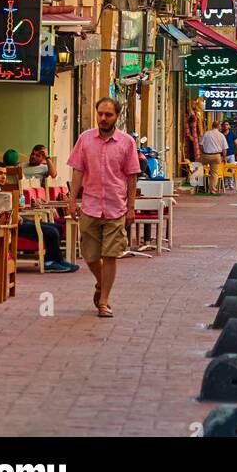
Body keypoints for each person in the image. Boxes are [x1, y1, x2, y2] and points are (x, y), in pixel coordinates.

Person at [67, 97, 141, 317]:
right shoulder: (85, 139)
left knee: (111, 254)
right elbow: (78, 171)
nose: (103, 118)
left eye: (108, 115)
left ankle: (104, 301)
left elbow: (131, 176)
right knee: (89, 256)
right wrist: (72, 200)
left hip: (116, 206)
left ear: (117, 116)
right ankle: (101, 283)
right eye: (100, 114)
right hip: (90, 205)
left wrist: (131, 207)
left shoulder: (127, 142)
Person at [0, 161, 78, 273]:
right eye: (0, 173)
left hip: (17, 219)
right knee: (52, 231)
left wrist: (17, 209)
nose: (3, 177)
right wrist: (14, 214)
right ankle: (51, 263)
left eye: (5, 174)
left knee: (57, 227)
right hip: (10, 226)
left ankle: (56, 260)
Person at [200, 120, 228, 188]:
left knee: (197, 165)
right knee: (214, 173)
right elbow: (224, 149)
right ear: (218, 127)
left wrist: (203, 152)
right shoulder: (221, 135)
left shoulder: (206, 133)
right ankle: (212, 189)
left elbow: (201, 145)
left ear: (212, 126)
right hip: (216, 156)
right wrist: (224, 157)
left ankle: (196, 184)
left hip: (206, 155)